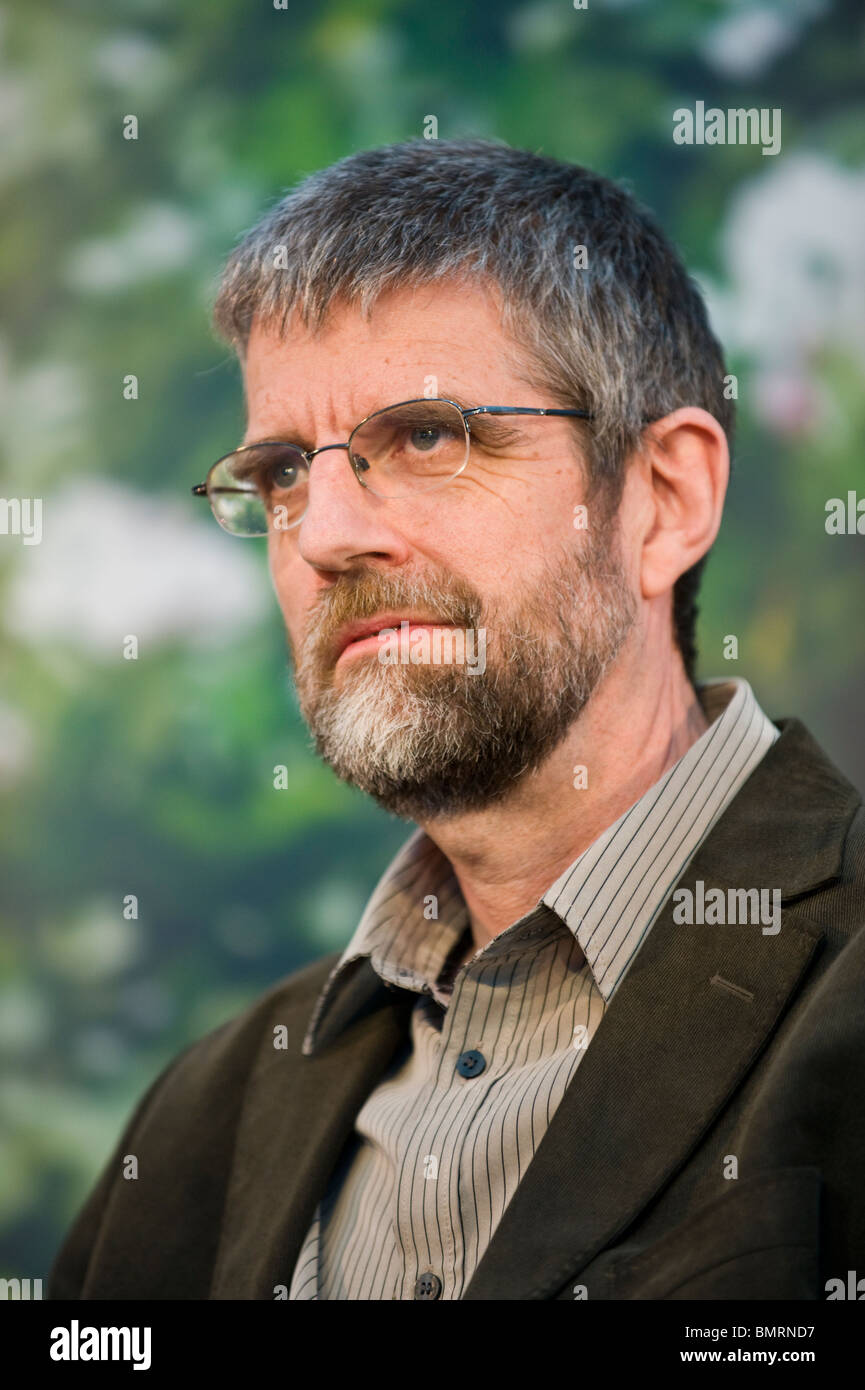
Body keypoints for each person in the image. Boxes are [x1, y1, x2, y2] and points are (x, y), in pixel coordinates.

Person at [48, 138, 865, 1302]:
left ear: (662, 498)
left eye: (427, 437)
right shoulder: (199, 1123)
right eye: (282, 472)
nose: (325, 533)